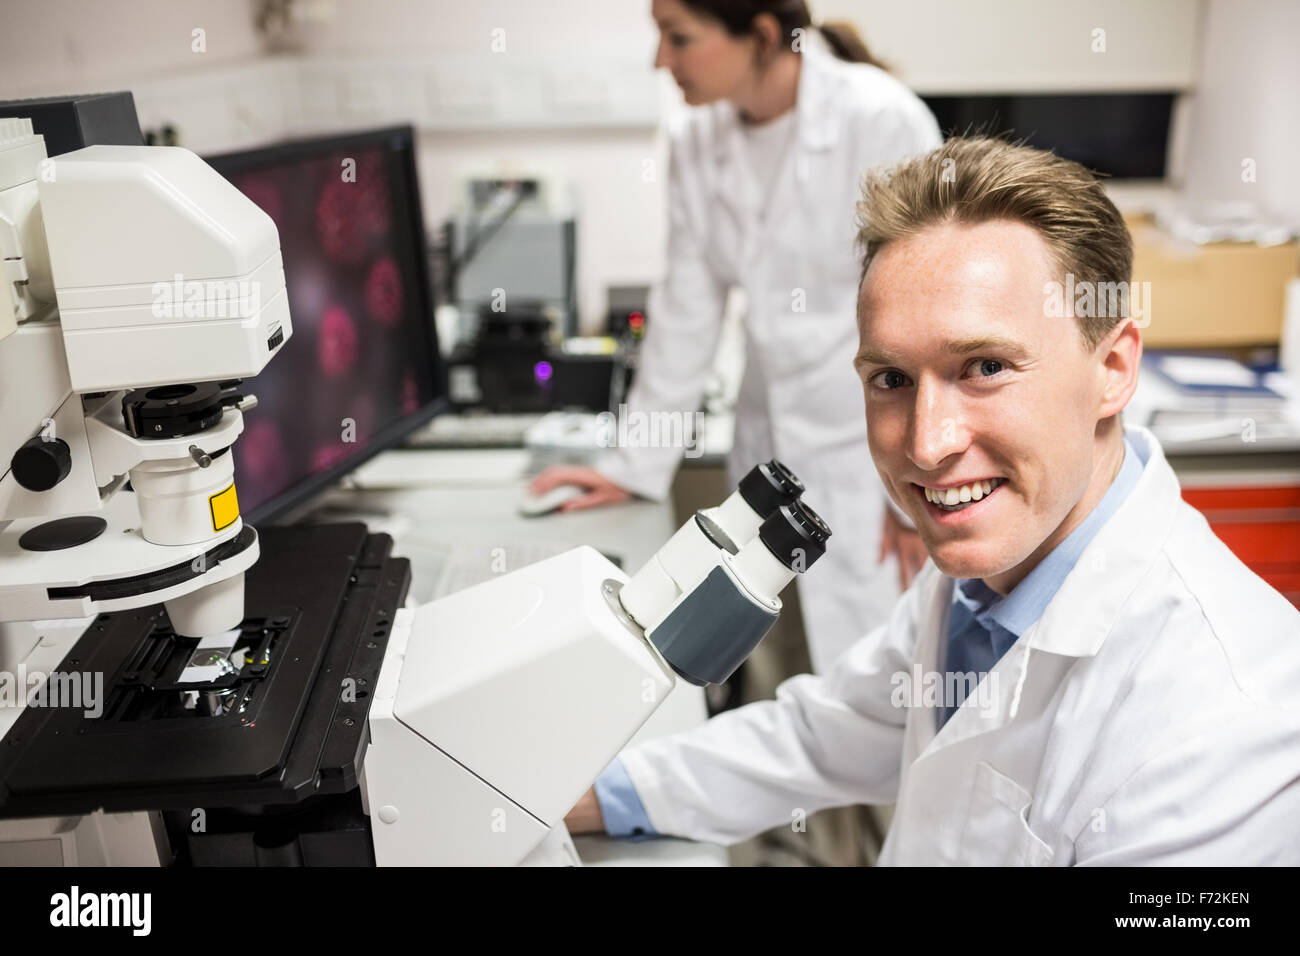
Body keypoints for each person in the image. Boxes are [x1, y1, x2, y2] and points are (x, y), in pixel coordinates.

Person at [565, 136, 1300, 864]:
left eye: (984, 367)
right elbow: (831, 732)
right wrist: (577, 794)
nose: (926, 445)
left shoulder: (1226, 720)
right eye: (890, 378)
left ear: (1112, 367)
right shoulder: (998, 568)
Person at [530, 0, 941, 675]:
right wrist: (635, 466)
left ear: (762, 35)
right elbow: (687, 311)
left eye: (679, 38)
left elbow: (929, 308)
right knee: (771, 660)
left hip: (869, 455)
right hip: (768, 441)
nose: (661, 61)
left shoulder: (881, 119)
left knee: (879, 682)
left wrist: (914, 494)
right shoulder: (696, 138)